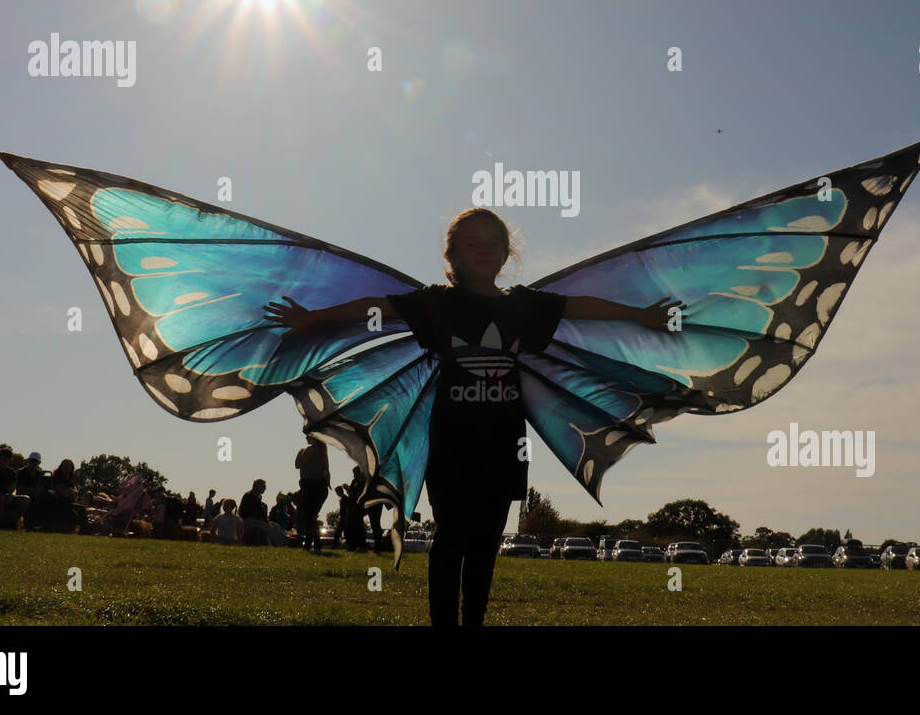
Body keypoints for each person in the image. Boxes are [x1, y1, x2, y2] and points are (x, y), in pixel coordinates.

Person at [263, 207, 676, 625]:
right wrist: (311, 318)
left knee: (485, 544)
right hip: (451, 442)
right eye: (472, 243)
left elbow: (580, 308)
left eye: (492, 242)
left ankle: (473, 620)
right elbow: (376, 308)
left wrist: (642, 316)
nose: (483, 249)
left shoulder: (525, 305)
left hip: (506, 446)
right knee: (450, 538)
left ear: (506, 254)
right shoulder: (436, 303)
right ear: (453, 256)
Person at [295, 429, 330, 553]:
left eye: (308, 436)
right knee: (311, 516)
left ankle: (311, 544)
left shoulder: (310, 450)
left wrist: (299, 453)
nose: (306, 438)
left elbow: (298, 464)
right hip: (320, 487)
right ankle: (314, 544)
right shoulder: (322, 452)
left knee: (309, 516)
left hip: (311, 487)